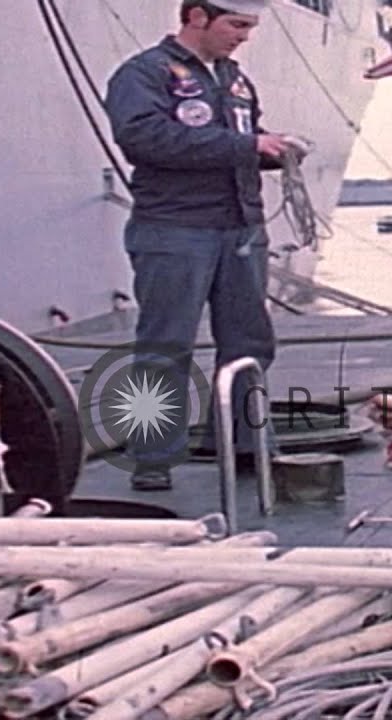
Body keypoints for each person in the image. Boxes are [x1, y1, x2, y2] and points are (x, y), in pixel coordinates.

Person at [104, 0, 296, 490]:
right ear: (196, 17)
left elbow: (239, 138)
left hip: (240, 227)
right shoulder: (144, 74)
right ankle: (152, 456)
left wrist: (271, 149)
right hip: (174, 228)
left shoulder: (233, 78)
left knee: (250, 343)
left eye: (249, 26)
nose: (244, 35)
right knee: (164, 345)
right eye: (236, 24)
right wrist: (246, 146)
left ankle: (247, 444)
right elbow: (144, 138)